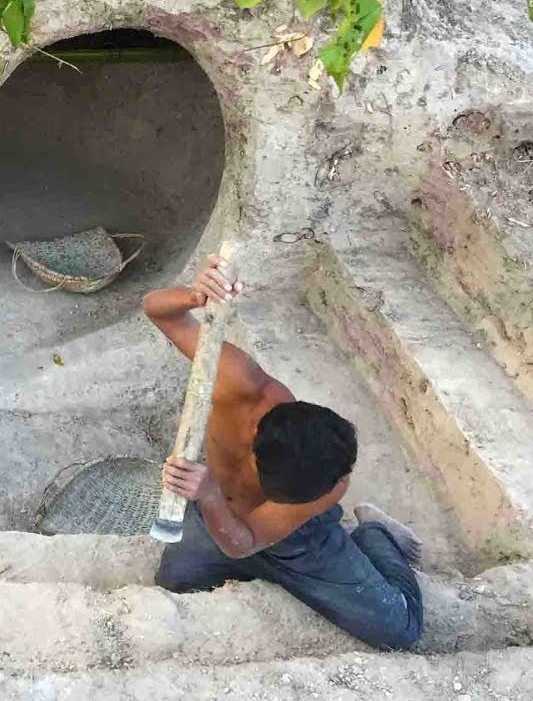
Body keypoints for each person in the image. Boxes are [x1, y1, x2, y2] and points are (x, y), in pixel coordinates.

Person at [143, 253, 423, 649]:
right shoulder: (237, 383)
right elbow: (156, 310)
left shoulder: (329, 481)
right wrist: (194, 296)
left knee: (400, 631)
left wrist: (206, 494)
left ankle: (377, 536)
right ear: (256, 446)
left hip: (297, 540)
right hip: (214, 516)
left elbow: (244, 541)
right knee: (172, 585)